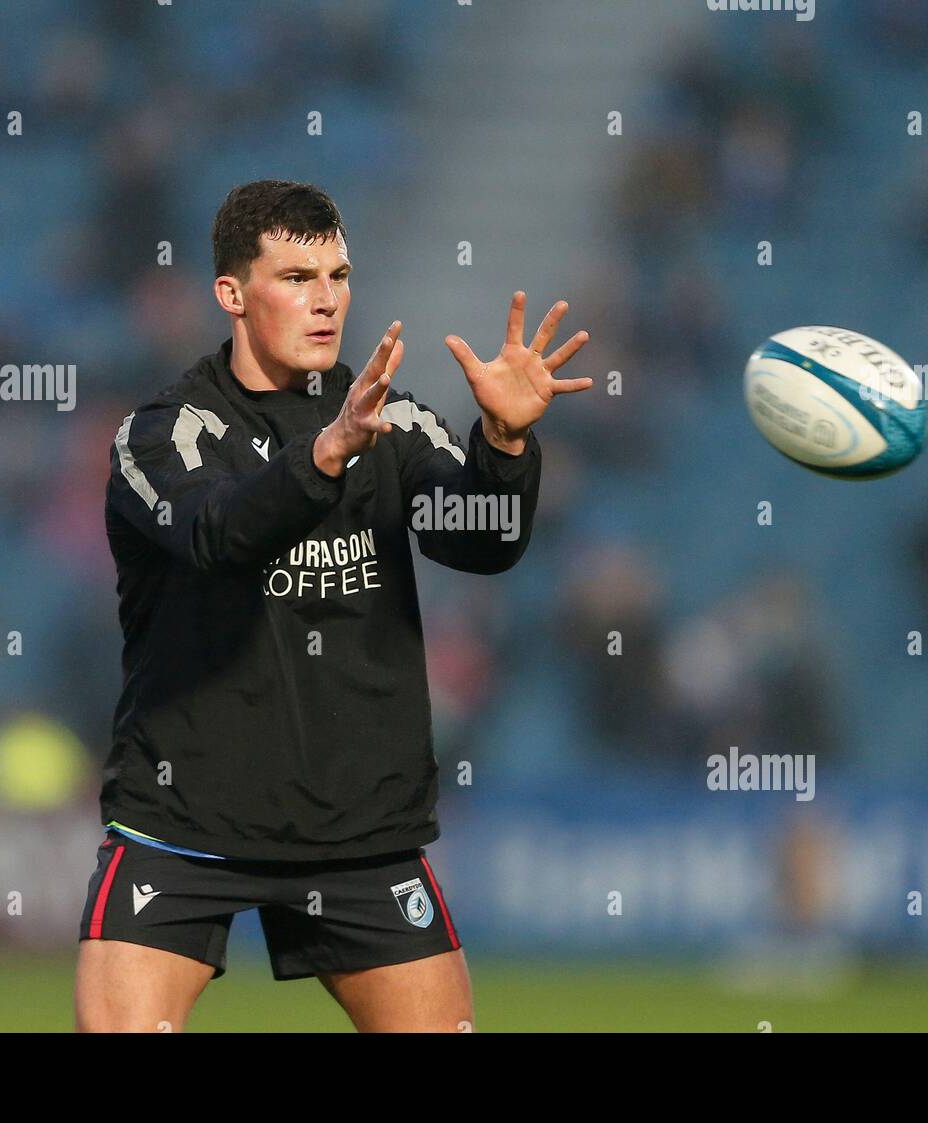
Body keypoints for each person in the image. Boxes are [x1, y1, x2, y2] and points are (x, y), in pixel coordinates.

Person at [74, 180, 591, 1032]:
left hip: (360, 832)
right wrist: (321, 457)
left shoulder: (389, 421)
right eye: (297, 277)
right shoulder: (163, 434)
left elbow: (480, 540)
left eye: (339, 275)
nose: (326, 300)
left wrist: (502, 445)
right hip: (187, 821)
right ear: (232, 295)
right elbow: (216, 534)